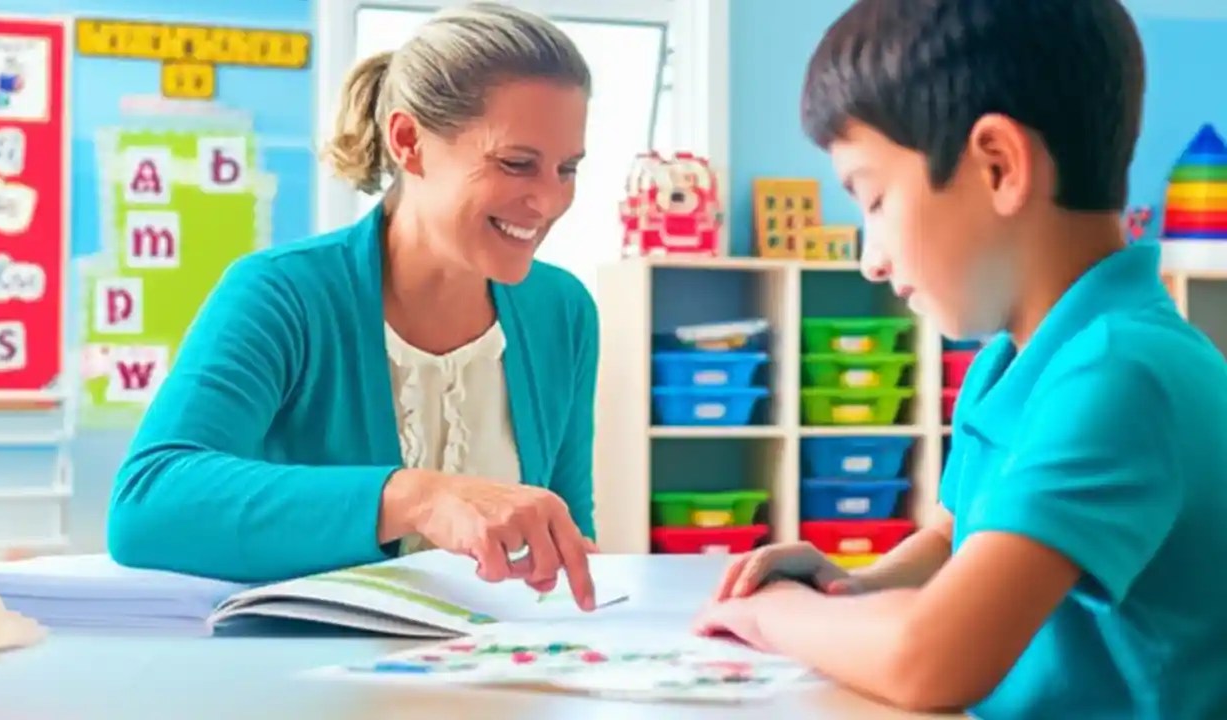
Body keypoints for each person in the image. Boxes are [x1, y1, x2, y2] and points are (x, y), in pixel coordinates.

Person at [693, 0, 1227, 717]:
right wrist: (854, 588)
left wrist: (775, 617)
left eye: (874, 199)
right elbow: (958, 535)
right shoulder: (1011, 360)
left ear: (999, 166)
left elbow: (932, 659)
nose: (869, 260)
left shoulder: (1122, 374)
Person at [107, 2, 601, 611]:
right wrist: (415, 497)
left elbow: (570, 535)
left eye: (568, 168)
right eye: (516, 164)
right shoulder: (281, 294)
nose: (549, 200)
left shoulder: (564, 312)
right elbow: (147, 504)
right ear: (409, 141)